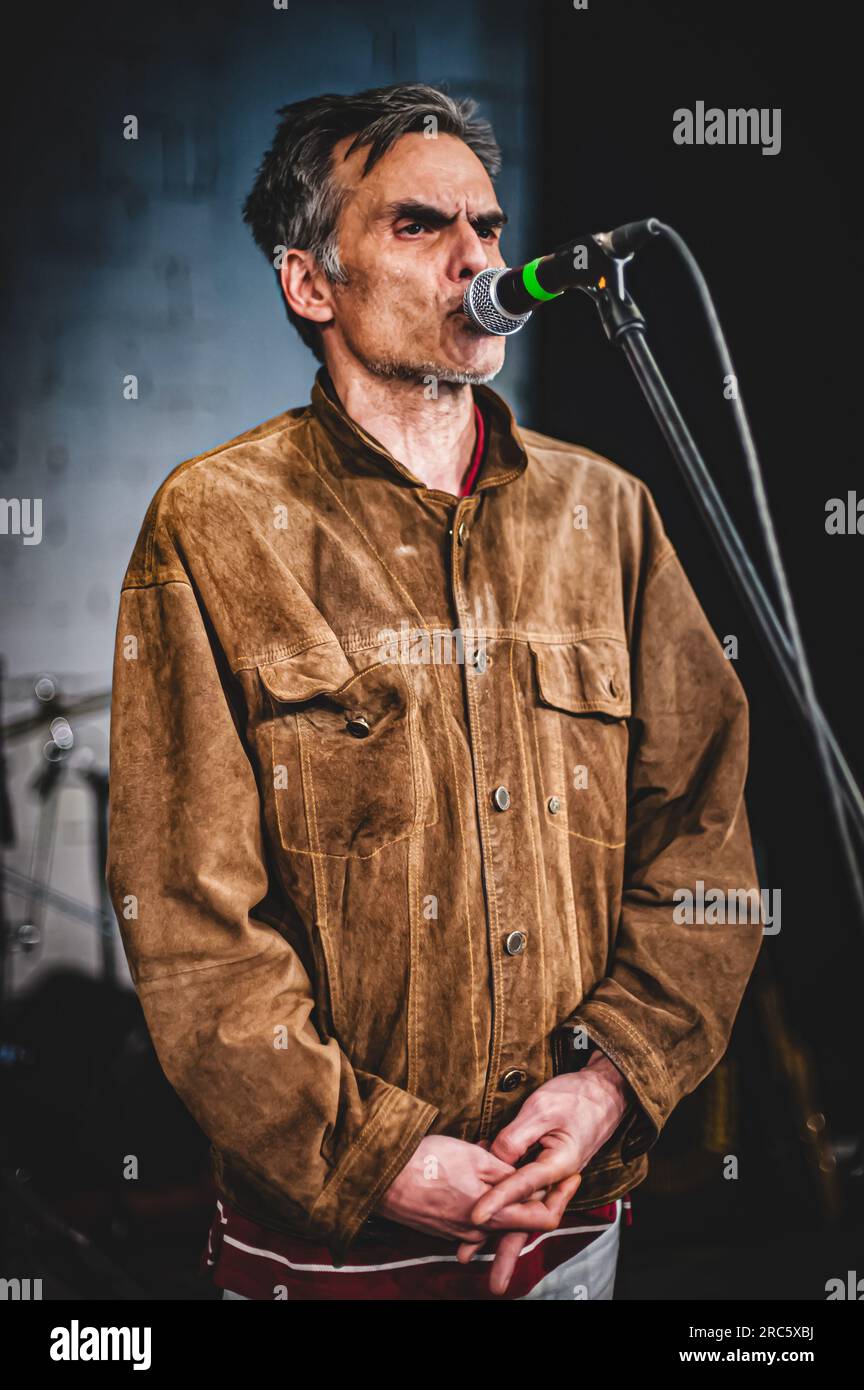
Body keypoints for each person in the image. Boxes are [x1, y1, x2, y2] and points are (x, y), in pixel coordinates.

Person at [105, 82, 764, 1301]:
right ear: (312, 283)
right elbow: (190, 919)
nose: (479, 257)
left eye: (491, 226)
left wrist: (610, 1077)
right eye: (419, 225)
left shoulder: (606, 512)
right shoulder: (214, 522)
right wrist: (378, 1153)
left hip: (575, 1223)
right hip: (331, 1249)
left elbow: (707, 842)